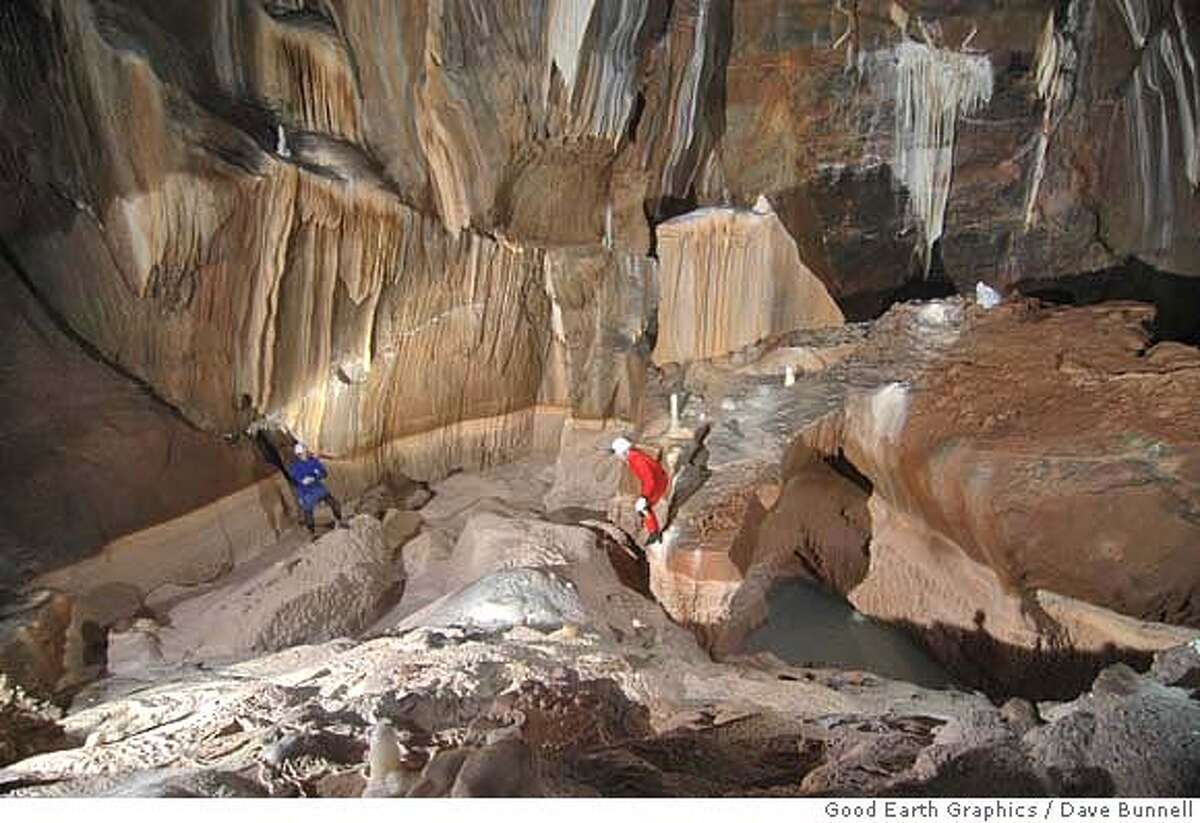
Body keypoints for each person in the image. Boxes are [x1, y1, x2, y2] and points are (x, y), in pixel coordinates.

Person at [611, 436, 669, 544]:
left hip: (658, 484)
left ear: (623, 452)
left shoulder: (636, 460)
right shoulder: (633, 456)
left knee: (642, 507)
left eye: (618, 454)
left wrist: (644, 496)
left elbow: (649, 480)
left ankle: (654, 533)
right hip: (658, 480)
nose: (618, 457)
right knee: (642, 506)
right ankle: (653, 531)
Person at [287, 442, 345, 538]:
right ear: (298, 455)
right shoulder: (295, 468)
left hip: (319, 489)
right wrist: (300, 497)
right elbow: (296, 483)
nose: (305, 454)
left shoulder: (313, 461)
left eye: (304, 452)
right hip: (306, 493)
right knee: (308, 513)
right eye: (302, 453)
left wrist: (315, 477)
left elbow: (324, 473)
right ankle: (312, 534)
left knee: (335, 503)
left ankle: (339, 522)